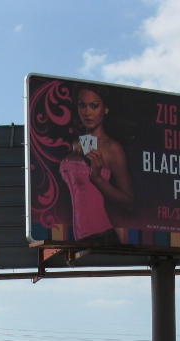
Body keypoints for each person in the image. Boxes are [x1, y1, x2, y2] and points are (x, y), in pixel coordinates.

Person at [59, 84, 134, 244]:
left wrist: (98, 179)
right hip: (79, 240)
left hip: (103, 237)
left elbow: (129, 203)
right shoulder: (79, 143)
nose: (87, 113)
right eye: (82, 105)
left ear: (105, 109)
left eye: (94, 106)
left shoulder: (112, 148)